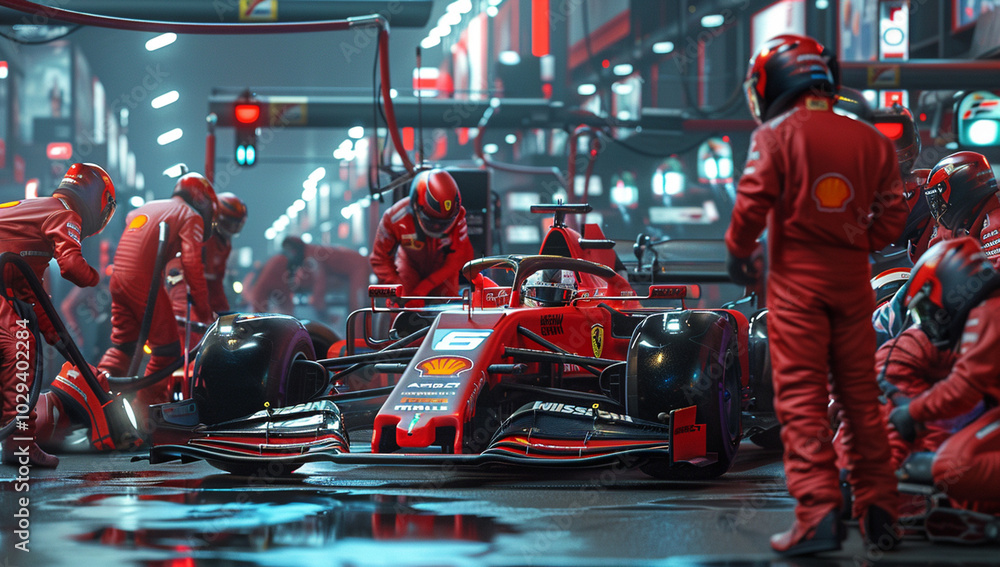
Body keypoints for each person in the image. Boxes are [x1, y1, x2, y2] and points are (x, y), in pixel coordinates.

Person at [725, 34, 907, 555]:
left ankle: (818, 516)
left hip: (796, 289)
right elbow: (891, 220)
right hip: (853, 286)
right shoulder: (871, 140)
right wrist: (853, 242)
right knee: (860, 401)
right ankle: (880, 510)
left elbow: (753, 203)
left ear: (773, 83)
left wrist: (738, 253)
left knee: (802, 401)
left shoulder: (776, 136)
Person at [1, 163, 116, 467]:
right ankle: (19, 443)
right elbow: (73, 268)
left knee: (23, 335)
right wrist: (98, 280)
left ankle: (18, 439)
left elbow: (30, 296)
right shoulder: (65, 213)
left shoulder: (38, 213)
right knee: (21, 345)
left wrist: (55, 336)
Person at [886, 237, 1000, 508]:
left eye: (927, 309)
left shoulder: (987, 314)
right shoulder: (988, 310)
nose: (929, 320)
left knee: (951, 467)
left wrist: (911, 412)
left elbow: (962, 390)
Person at [98, 172, 216, 418]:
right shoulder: (189, 215)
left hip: (118, 280)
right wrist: (206, 313)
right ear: (203, 200)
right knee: (167, 351)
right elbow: (193, 267)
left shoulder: (148, 207)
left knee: (124, 347)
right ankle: (146, 415)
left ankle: (94, 398)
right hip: (144, 282)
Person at [370, 169, 474, 300]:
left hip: (443, 273)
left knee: (449, 313)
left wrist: (425, 286)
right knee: (401, 311)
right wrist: (396, 291)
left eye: (443, 223)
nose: (437, 227)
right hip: (408, 268)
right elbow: (380, 259)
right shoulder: (394, 218)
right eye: (431, 221)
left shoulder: (458, 216)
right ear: (415, 206)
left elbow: (458, 257)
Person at [166, 191, 247, 323]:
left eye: (237, 226)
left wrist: (223, 313)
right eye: (230, 224)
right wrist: (205, 313)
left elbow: (216, 281)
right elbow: (196, 276)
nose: (233, 230)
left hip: (201, 290)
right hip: (184, 286)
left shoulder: (225, 244)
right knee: (188, 326)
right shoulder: (204, 237)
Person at [245, 236, 370, 318]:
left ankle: (360, 346)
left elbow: (319, 283)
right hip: (353, 267)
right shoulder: (306, 256)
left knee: (357, 310)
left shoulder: (310, 257)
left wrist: (320, 308)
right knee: (357, 310)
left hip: (358, 267)